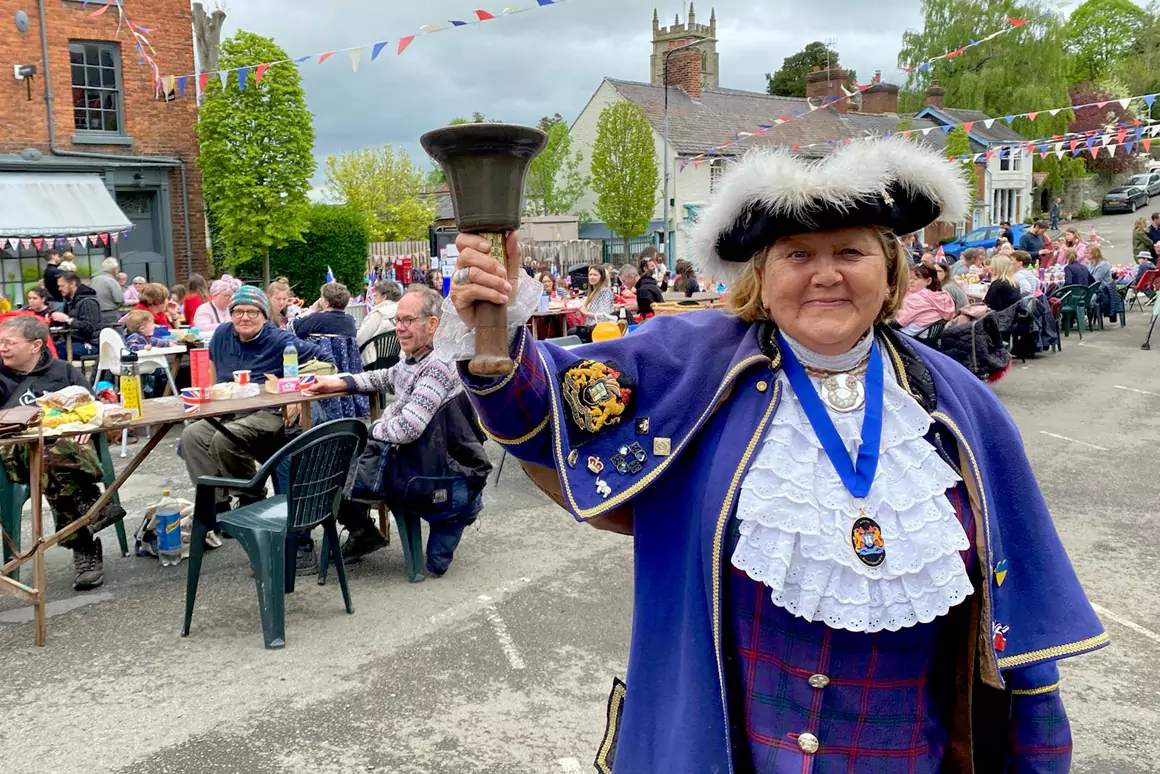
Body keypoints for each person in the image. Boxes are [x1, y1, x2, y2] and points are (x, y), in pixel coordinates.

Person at [443, 138, 1105, 772]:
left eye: (850, 251)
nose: (825, 274)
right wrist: (493, 324)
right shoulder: (692, 361)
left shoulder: (960, 405)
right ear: (762, 274)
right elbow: (544, 410)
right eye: (796, 254)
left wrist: (1041, 750)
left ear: (890, 270)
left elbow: (1018, 617)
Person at [311, 285, 477, 575]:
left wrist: (367, 430)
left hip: (430, 466)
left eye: (407, 321)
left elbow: (406, 429)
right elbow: (387, 377)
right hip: (421, 457)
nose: (399, 328)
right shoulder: (416, 358)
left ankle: (459, 507)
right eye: (397, 321)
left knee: (333, 462)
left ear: (433, 324)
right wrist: (341, 383)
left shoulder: (437, 365)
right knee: (339, 460)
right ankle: (367, 530)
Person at [180, 286, 330, 516]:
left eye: (252, 312)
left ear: (263, 314)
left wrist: (299, 393)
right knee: (192, 436)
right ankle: (217, 505)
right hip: (230, 407)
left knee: (225, 439)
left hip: (269, 411)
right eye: (238, 311)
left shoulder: (279, 339)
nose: (245, 317)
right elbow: (212, 365)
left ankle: (251, 496)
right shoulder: (222, 334)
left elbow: (326, 361)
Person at [0, 316, 125, 589]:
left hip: (67, 451)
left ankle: (85, 530)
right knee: (49, 454)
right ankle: (92, 516)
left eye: (8, 342)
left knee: (55, 455)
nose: (2, 348)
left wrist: (86, 425)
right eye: (0, 342)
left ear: (35, 345)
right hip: (16, 451)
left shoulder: (63, 371)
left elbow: (91, 406)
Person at [50, 272, 101, 358]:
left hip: (91, 344)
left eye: (62, 286)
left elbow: (89, 327)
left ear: (73, 284)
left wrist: (67, 319)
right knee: (49, 348)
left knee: (56, 351)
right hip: (73, 342)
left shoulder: (88, 302)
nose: (59, 289)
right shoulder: (70, 302)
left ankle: (63, 371)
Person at [895, 263, 955, 335]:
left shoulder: (917, 298)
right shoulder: (944, 295)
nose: (911, 281)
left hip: (909, 338)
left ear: (929, 281)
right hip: (930, 338)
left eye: (915, 279)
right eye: (910, 278)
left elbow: (898, 323)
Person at [291, 282, 358, 338]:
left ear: (326, 303)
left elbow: (291, 329)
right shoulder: (350, 320)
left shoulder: (317, 318)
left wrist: (311, 310)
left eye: (322, 297)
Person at [357, 279, 402, 353]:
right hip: (395, 358)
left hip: (372, 360)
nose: (373, 299)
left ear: (384, 297)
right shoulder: (402, 311)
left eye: (376, 295)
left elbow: (359, 340)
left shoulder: (378, 314)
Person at [571, 265, 614, 341]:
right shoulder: (592, 293)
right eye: (590, 274)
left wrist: (586, 312)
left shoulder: (605, 292)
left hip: (600, 328)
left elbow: (604, 316)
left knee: (571, 333)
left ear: (602, 277)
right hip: (591, 326)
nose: (592, 277)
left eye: (595, 275)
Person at [1089, 244, 1123, 323]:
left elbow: (1096, 280)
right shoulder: (1091, 263)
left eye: (1088, 253)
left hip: (1104, 289)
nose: (1085, 255)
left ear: (1094, 254)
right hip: (1094, 287)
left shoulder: (1103, 264)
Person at [89, 257, 124, 328]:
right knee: (116, 335)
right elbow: (120, 300)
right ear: (114, 269)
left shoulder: (93, 280)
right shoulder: (112, 281)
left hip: (96, 314)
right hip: (110, 314)